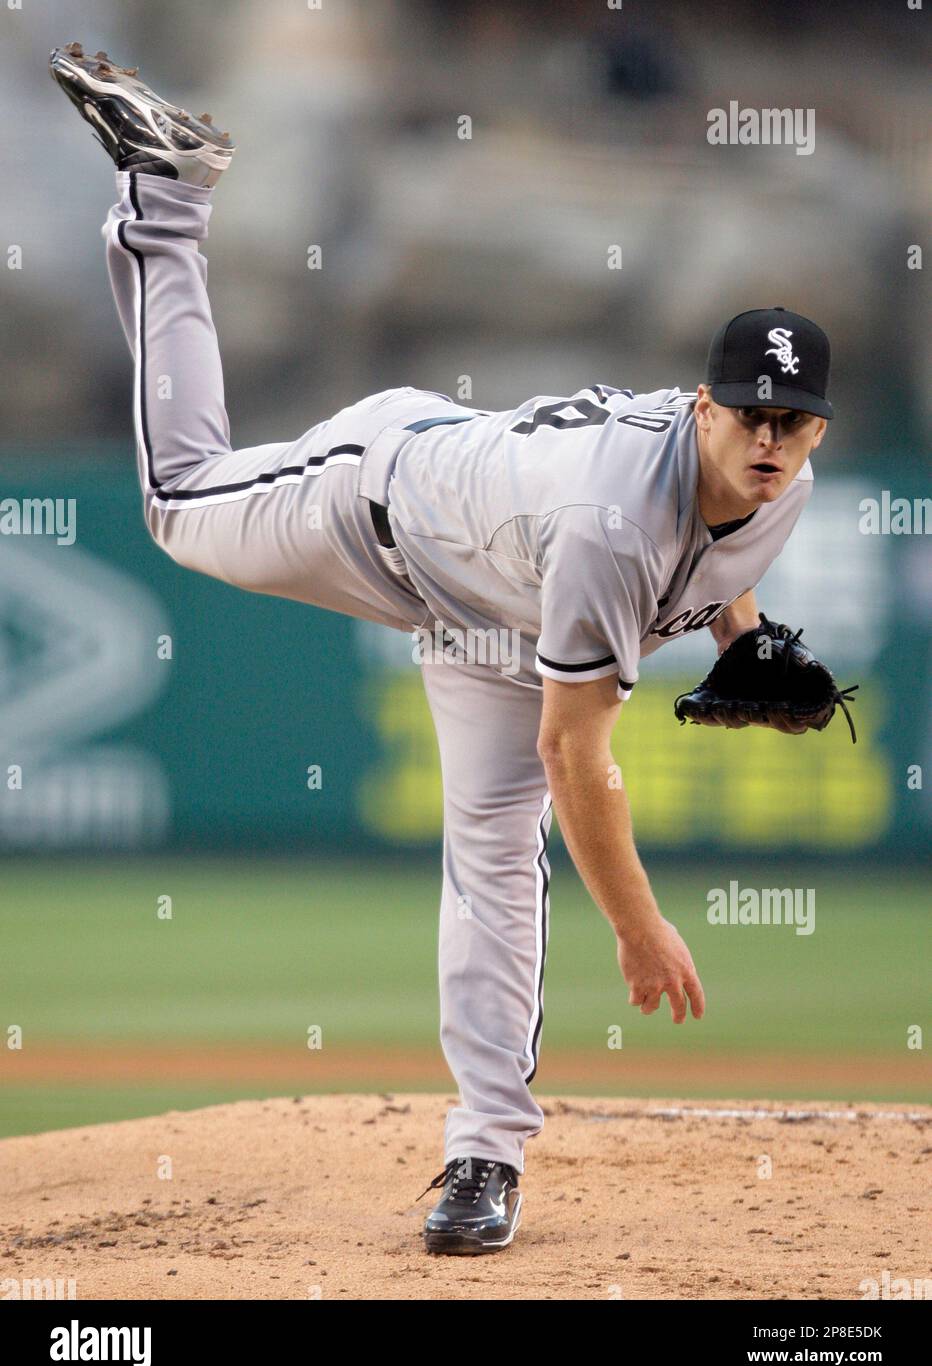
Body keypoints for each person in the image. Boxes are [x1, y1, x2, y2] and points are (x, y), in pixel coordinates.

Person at [51, 43, 833, 1256]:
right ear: (701, 404)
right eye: (747, 414)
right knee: (176, 497)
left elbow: (727, 549)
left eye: (791, 421)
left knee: (489, 856)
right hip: (383, 502)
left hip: (495, 602)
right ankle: (168, 193)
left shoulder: (775, 484)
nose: (768, 439)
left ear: (817, 430)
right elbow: (578, 762)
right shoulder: (609, 530)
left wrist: (744, 634)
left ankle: (483, 1155)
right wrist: (636, 927)